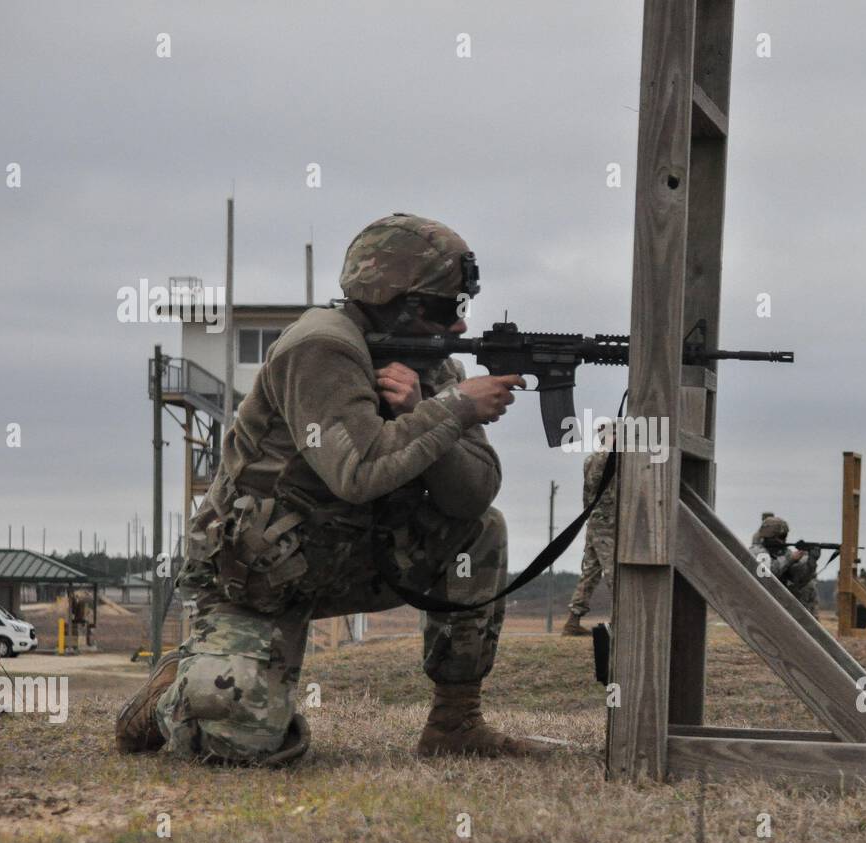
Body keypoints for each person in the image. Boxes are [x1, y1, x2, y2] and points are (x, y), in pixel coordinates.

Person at [116, 213, 553, 765]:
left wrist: (426, 409)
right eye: (445, 310)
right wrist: (455, 408)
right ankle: (170, 693)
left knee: (480, 531)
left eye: (461, 309)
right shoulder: (320, 347)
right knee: (240, 744)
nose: (460, 327)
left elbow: (474, 496)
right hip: (254, 577)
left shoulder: (430, 362)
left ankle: (455, 722)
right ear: (393, 299)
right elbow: (357, 472)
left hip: (350, 557)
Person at [561, 444, 616, 636]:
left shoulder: (590, 460)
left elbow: (587, 494)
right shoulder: (615, 457)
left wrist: (589, 515)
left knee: (590, 572)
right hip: (609, 523)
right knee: (614, 574)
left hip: (594, 520)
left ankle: (573, 620)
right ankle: (620, 620)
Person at [748, 515, 821, 617]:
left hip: (780, 603)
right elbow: (766, 574)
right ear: (770, 536)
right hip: (761, 601)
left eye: (785, 536)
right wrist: (790, 558)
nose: (784, 541)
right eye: (781, 537)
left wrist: (811, 563)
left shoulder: (784, 553)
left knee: (809, 586)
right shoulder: (757, 551)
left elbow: (799, 580)